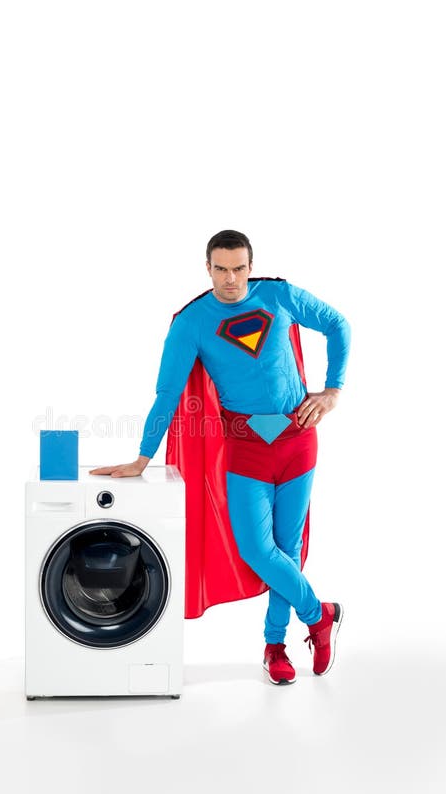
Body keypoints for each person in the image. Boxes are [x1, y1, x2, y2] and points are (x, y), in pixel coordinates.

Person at [90, 229, 351, 685]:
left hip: (298, 440)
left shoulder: (279, 295)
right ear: (207, 268)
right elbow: (168, 393)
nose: (231, 279)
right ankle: (320, 614)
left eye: (239, 268)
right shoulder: (192, 322)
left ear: (251, 265)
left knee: (287, 552)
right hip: (246, 449)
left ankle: (275, 646)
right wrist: (142, 457)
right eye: (221, 269)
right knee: (257, 550)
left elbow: (338, 325)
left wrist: (332, 391)